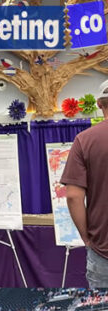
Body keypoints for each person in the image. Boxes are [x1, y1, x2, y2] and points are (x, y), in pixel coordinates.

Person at [63, 79, 108, 288]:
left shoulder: (84, 140)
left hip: (103, 251)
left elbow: (73, 196)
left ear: (99, 104)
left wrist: (87, 239)